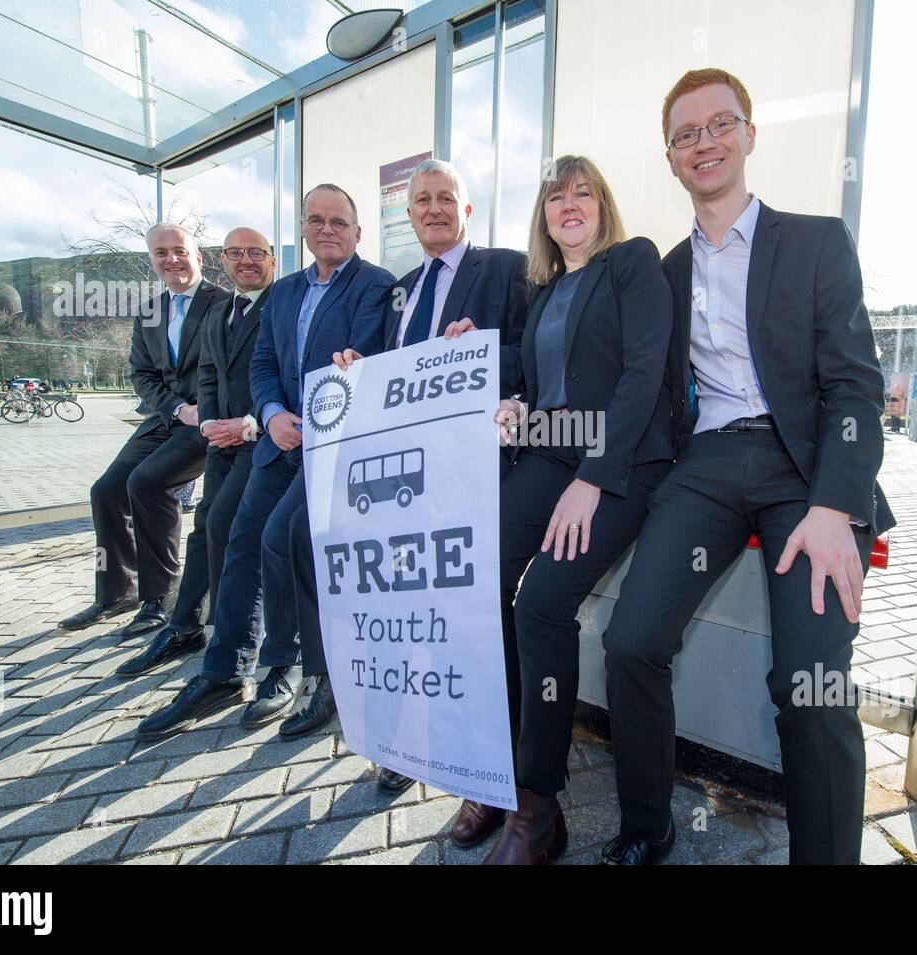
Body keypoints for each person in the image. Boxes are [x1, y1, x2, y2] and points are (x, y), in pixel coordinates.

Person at [596, 69, 895, 865]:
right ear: (670, 157)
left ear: (750, 134)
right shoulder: (666, 273)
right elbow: (623, 372)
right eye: (686, 133)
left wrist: (838, 505)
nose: (705, 142)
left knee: (808, 685)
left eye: (719, 124)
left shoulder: (816, 240)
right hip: (709, 464)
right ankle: (646, 826)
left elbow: (857, 388)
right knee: (629, 642)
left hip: (806, 469)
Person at [289, 158, 530, 810]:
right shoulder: (401, 289)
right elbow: (396, 378)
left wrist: (478, 353)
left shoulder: (508, 267)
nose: (432, 209)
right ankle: (398, 749)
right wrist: (360, 370)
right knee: (395, 615)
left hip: (474, 477)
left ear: (467, 209)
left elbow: (533, 355)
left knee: (470, 623)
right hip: (403, 482)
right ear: (408, 213)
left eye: (445, 198)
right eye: (421, 200)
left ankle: (487, 767)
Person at [135, 185, 393, 740]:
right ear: (303, 228)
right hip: (280, 443)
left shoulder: (376, 286)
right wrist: (272, 413)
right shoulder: (286, 292)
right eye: (316, 220)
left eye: (339, 222)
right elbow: (264, 363)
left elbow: (369, 360)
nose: (328, 229)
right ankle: (224, 669)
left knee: (281, 539)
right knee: (239, 539)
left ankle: (286, 665)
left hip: (336, 450)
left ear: (357, 231)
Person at [479, 155, 674, 864]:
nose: (569, 204)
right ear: (543, 216)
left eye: (582, 192)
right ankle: (492, 767)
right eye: (556, 197)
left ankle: (537, 804)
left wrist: (595, 473)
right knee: (479, 584)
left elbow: (643, 371)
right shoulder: (544, 291)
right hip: (548, 453)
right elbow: (541, 387)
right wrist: (517, 407)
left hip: (619, 465)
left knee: (541, 604)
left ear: (602, 205)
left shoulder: (631, 263)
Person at [117, 227, 276, 677]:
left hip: (260, 437)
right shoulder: (221, 312)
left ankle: (230, 642)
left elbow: (281, 372)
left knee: (223, 524)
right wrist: (208, 423)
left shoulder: (280, 303)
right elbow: (208, 375)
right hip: (220, 438)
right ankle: (185, 622)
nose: (245, 260)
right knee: (204, 525)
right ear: (221, 259)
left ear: (272, 259)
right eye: (234, 253)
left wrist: (246, 424)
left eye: (255, 252)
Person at [59, 224, 230, 636]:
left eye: (179, 250)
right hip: (167, 418)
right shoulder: (150, 310)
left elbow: (234, 371)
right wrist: (175, 408)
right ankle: (116, 592)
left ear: (198, 256)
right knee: (107, 489)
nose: (171, 259)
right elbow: (142, 373)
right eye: (160, 253)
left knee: (148, 484)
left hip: (210, 420)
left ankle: (160, 597)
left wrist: (198, 412)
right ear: (152, 261)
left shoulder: (225, 304)